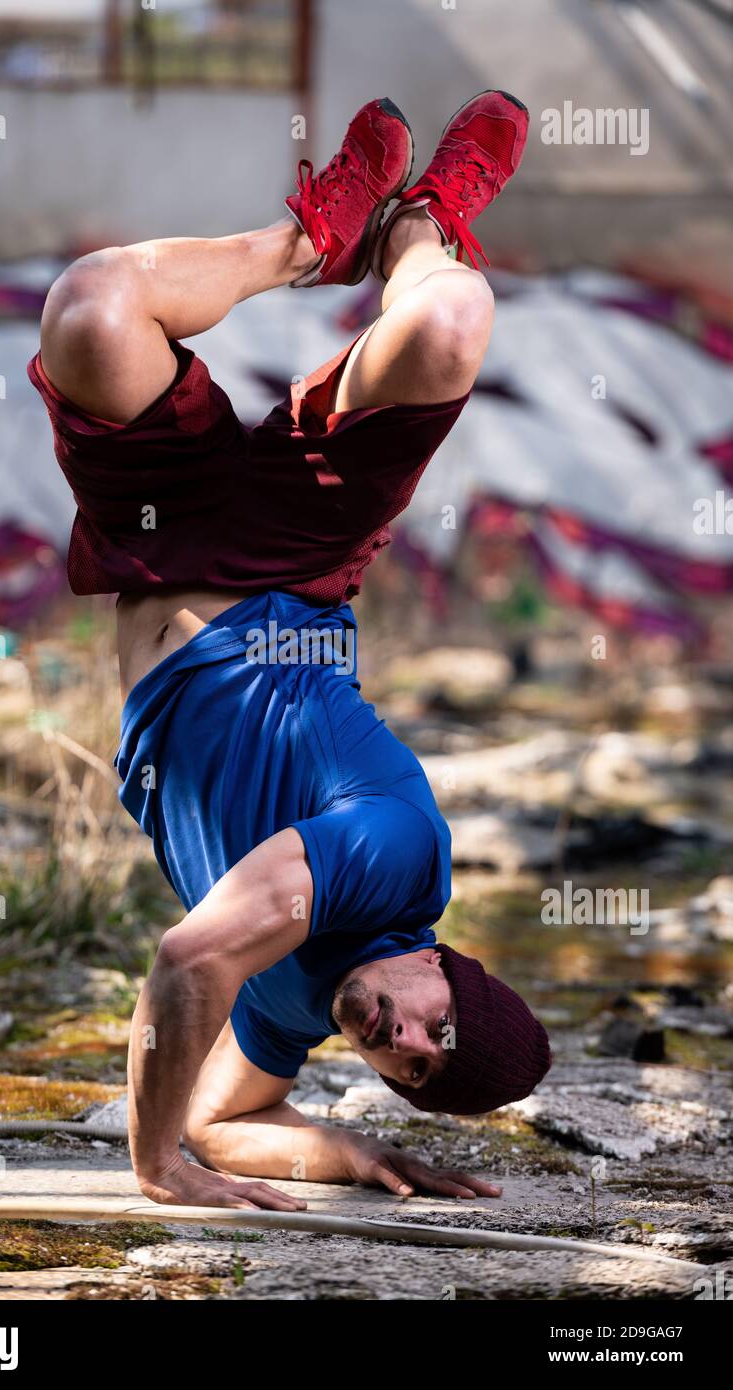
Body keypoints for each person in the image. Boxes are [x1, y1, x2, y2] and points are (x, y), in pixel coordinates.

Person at [29, 92, 551, 1212]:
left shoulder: (291, 1007)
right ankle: (391, 230)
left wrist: (355, 1156)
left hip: (156, 551)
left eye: (404, 1066)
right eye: (435, 1023)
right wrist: (153, 1165)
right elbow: (184, 962)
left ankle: (325, 239)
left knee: (88, 310)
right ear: (445, 966)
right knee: (450, 322)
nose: (397, 1035)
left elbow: (227, 1114)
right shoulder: (399, 858)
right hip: (290, 558)